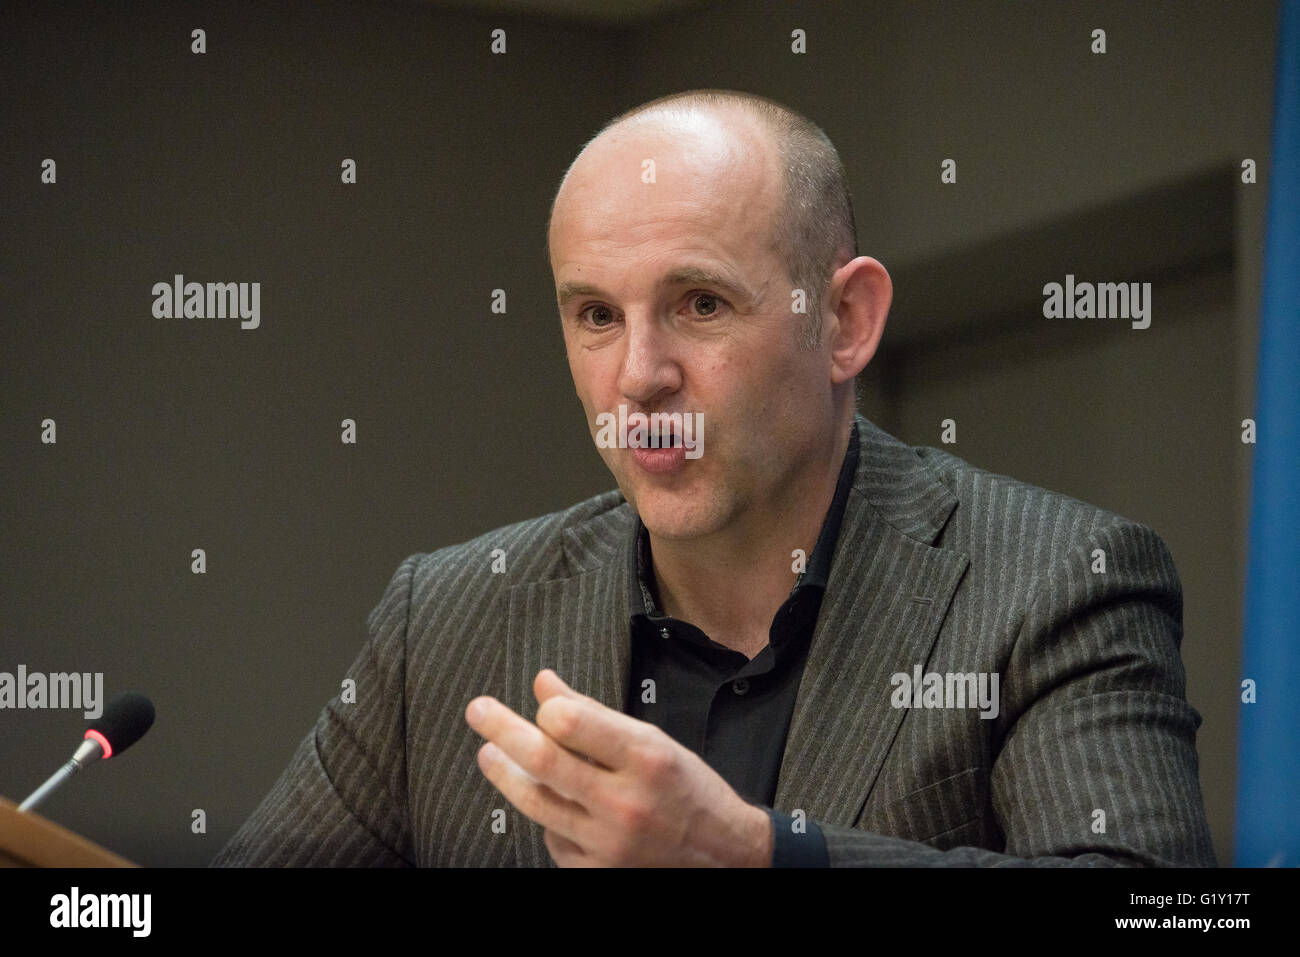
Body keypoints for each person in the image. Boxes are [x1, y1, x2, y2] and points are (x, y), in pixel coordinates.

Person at [211, 89, 1216, 867]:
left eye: (698, 304)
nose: (638, 375)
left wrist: (759, 855)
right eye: (595, 314)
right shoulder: (446, 620)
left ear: (845, 322)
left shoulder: (1055, 583)